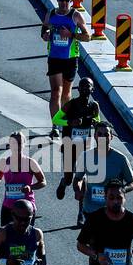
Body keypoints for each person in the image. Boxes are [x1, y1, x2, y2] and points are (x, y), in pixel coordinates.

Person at [41, 0, 87, 137]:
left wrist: (71, 35)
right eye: (62, 1)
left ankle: (65, 122)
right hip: (54, 58)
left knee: (66, 95)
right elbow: (44, 29)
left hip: (70, 59)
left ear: (70, 2)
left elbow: (87, 37)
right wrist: (46, 34)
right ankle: (55, 125)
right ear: (57, 1)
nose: (64, 3)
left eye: (67, 1)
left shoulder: (75, 16)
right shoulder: (51, 14)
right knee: (55, 92)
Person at [75, 122, 133, 227]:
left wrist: (122, 190)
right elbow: (78, 178)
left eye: (106, 134)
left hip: (113, 210)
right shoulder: (85, 156)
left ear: (111, 137)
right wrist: (78, 189)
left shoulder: (120, 159)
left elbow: (132, 182)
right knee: (91, 242)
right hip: (91, 210)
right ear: (95, 136)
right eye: (100, 134)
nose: (102, 137)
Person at [56, 77, 101, 206]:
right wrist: (69, 122)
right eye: (83, 86)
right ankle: (64, 182)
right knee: (70, 178)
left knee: (82, 178)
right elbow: (56, 119)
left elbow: (98, 120)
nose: (86, 88)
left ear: (93, 89)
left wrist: (95, 123)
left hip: (85, 147)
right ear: (78, 89)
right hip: (70, 146)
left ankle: (81, 211)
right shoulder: (71, 104)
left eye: (89, 86)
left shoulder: (94, 106)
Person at [0, 131, 47, 226]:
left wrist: (30, 187)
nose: (16, 146)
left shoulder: (30, 163)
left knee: (25, 237)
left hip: (26, 207)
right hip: (8, 206)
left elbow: (43, 181)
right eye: (13, 143)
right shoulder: (4, 162)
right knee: (6, 237)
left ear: (24, 145)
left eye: (19, 143)